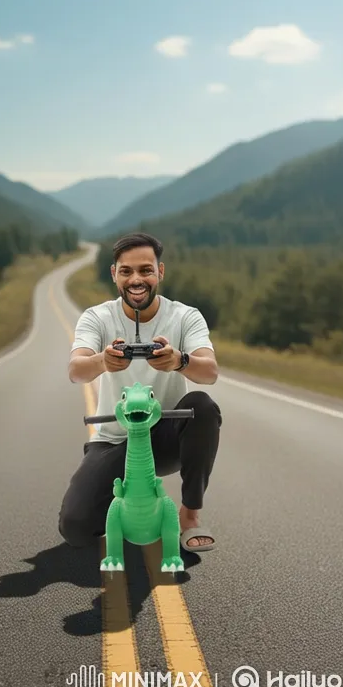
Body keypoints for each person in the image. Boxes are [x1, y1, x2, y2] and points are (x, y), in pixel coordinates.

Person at [58, 232, 222, 552]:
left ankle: (189, 516)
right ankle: (116, 509)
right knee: (75, 527)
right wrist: (101, 361)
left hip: (166, 436)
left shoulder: (185, 316)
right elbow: (76, 371)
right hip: (114, 439)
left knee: (202, 406)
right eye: (126, 271)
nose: (136, 279)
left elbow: (210, 372)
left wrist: (179, 360)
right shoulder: (97, 317)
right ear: (114, 274)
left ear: (160, 272)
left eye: (146, 270)